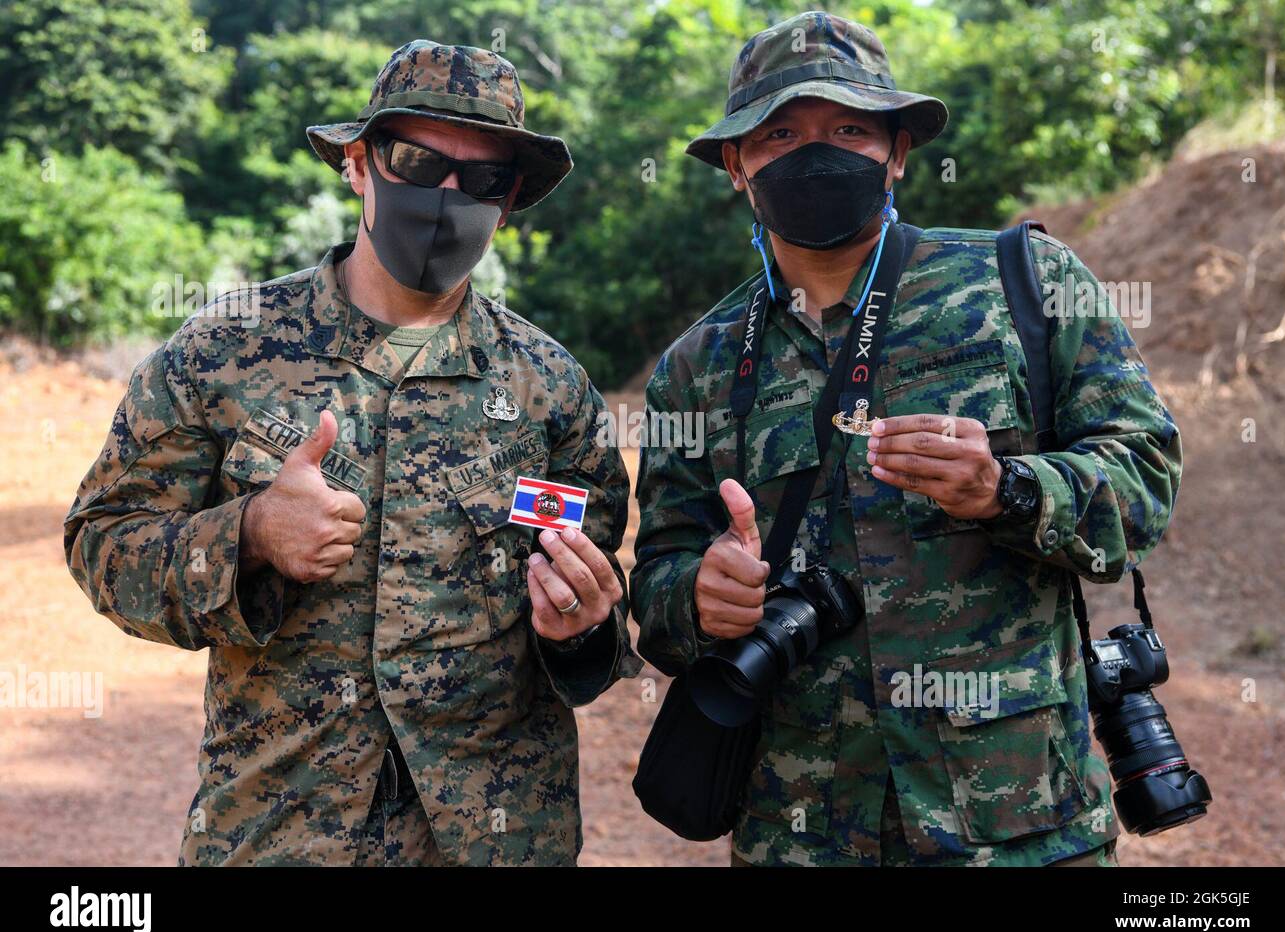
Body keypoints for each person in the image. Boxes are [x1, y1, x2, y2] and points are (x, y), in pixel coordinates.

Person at [65, 40, 641, 866]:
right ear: (358, 166)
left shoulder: (550, 388)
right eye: (416, 160)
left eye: (481, 179)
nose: (447, 195)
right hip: (279, 834)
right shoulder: (224, 350)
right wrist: (251, 534)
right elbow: (102, 542)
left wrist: (581, 629)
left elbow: (592, 597)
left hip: (497, 839)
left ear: (509, 201)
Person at [631, 11, 1179, 866]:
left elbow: (1144, 483)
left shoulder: (1023, 283)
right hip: (805, 834)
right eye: (781, 133)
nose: (817, 152)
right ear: (737, 165)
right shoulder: (696, 368)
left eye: (849, 127)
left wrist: (1010, 489)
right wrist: (700, 599)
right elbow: (659, 591)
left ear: (897, 151)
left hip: (1023, 829)